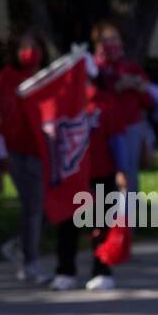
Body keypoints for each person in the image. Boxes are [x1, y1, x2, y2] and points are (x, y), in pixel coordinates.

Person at [52, 72, 129, 292]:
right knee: (71, 224)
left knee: (99, 224)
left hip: (99, 172)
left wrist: (121, 168)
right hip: (72, 175)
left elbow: (117, 138)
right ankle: (68, 270)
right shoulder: (64, 103)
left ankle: (100, 270)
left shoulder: (104, 103)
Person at [0, 28, 52, 284]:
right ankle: (30, 262)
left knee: (45, 208)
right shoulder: (5, 78)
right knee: (32, 207)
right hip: (16, 150)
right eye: (24, 47)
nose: (30, 53)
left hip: (42, 150)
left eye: (35, 46)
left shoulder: (46, 77)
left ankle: (18, 246)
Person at [91, 21, 151, 191]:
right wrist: (118, 86)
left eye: (116, 38)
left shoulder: (129, 66)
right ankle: (109, 211)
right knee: (106, 171)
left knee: (129, 170)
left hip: (130, 124)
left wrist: (133, 84)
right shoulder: (95, 67)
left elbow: (146, 93)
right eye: (108, 39)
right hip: (103, 128)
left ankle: (128, 212)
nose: (113, 43)